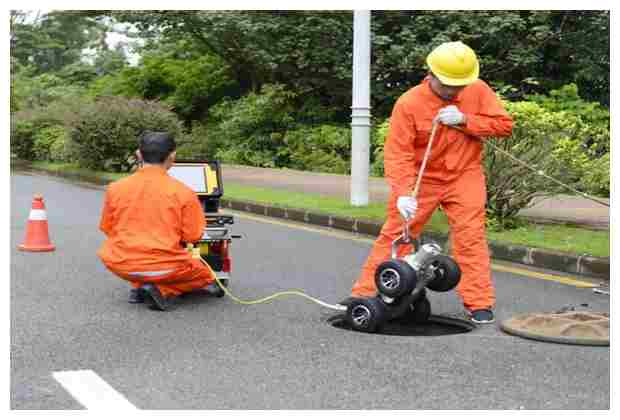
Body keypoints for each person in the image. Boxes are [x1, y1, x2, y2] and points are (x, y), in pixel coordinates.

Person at [347, 41, 513, 324]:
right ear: (431, 74)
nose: (454, 91)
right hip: (423, 181)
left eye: (460, 86)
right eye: (449, 85)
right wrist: (402, 194)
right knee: (396, 234)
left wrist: (465, 119)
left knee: (470, 238)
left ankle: (478, 302)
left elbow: (504, 125)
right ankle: (365, 294)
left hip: (464, 176)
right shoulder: (409, 103)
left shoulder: (478, 90)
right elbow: (398, 153)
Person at [97, 131, 219, 311]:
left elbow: (107, 228)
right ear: (173, 156)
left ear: (138, 154)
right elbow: (193, 236)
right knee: (206, 275)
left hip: (121, 264)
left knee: (142, 262)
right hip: (166, 267)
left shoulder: (115, 188)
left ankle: (140, 286)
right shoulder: (184, 192)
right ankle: (162, 288)